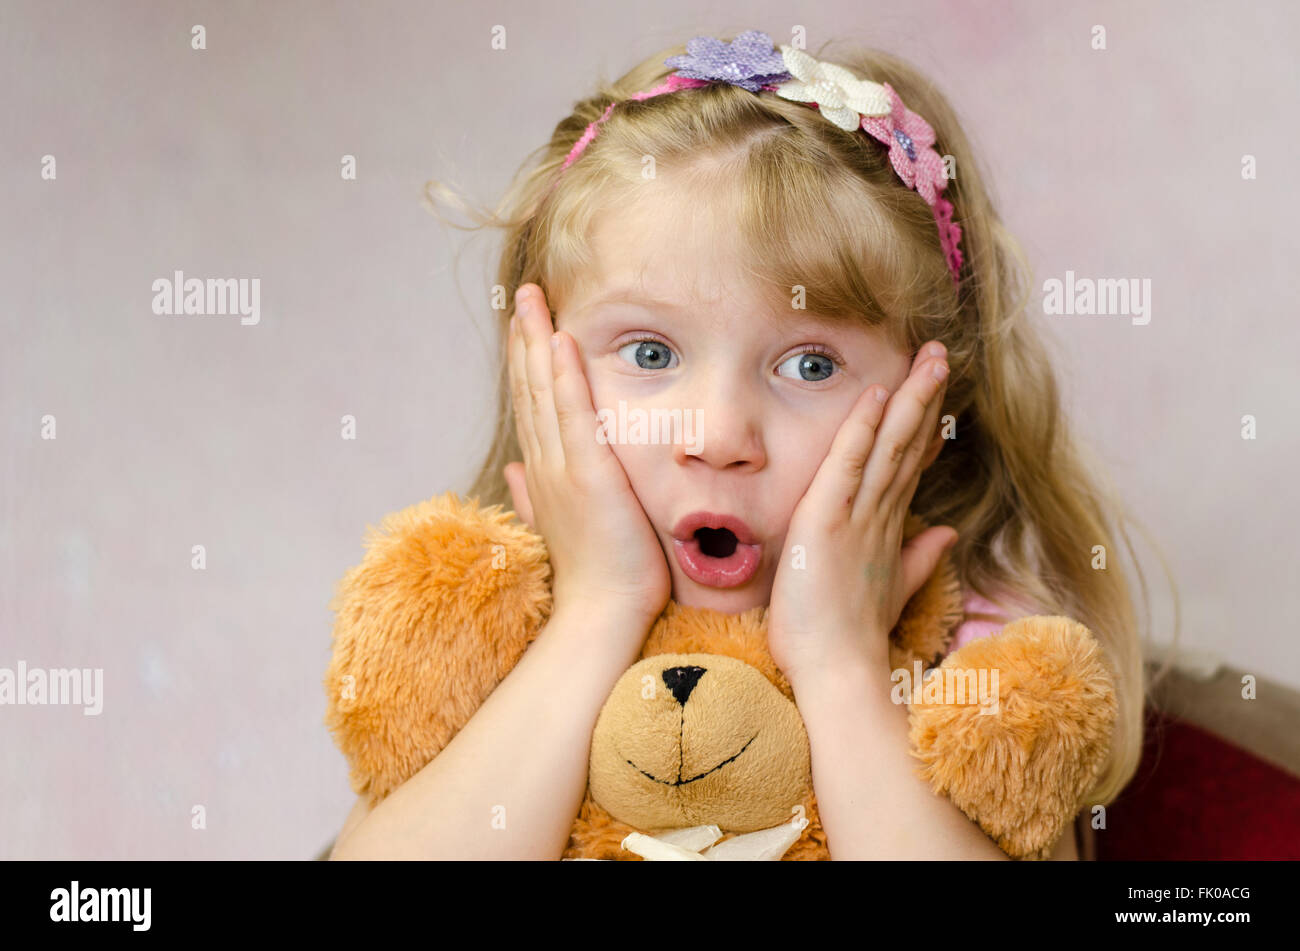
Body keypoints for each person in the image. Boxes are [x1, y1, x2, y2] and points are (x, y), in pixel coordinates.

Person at [329, 30, 1169, 860]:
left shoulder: (970, 655)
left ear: (927, 403)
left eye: (809, 364)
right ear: (538, 369)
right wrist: (596, 611)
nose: (720, 437)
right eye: (651, 353)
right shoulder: (494, 617)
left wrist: (840, 665)